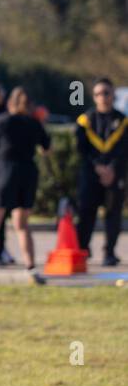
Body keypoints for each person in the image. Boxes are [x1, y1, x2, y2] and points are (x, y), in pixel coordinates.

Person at [0, 87, 50, 284]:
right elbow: (47, 149)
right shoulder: (35, 124)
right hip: (27, 172)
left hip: (4, 170)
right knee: (22, 224)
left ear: (10, 103)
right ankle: (30, 265)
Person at [74, 77, 127, 265]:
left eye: (106, 93)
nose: (103, 97)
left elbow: (123, 149)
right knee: (86, 212)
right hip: (91, 174)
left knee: (113, 214)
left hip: (116, 174)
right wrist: (97, 166)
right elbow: (82, 149)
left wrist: (111, 169)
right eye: (98, 94)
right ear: (94, 97)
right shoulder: (85, 120)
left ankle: (109, 252)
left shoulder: (123, 121)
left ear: (113, 95)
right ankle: (83, 250)